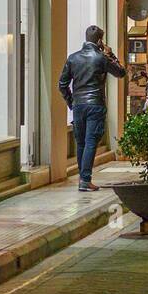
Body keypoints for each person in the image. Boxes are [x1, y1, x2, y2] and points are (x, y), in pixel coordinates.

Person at [58, 25, 126, 192]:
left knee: (81, 143)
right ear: (100, 41)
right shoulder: (101, 58)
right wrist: (111, 54)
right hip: (95, 104)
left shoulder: (73, 58)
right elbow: (121, 73)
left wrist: (71, 102)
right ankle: (85, 180)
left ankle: (83, 179)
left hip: (78, 105)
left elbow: (62, 85)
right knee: (90, 142)